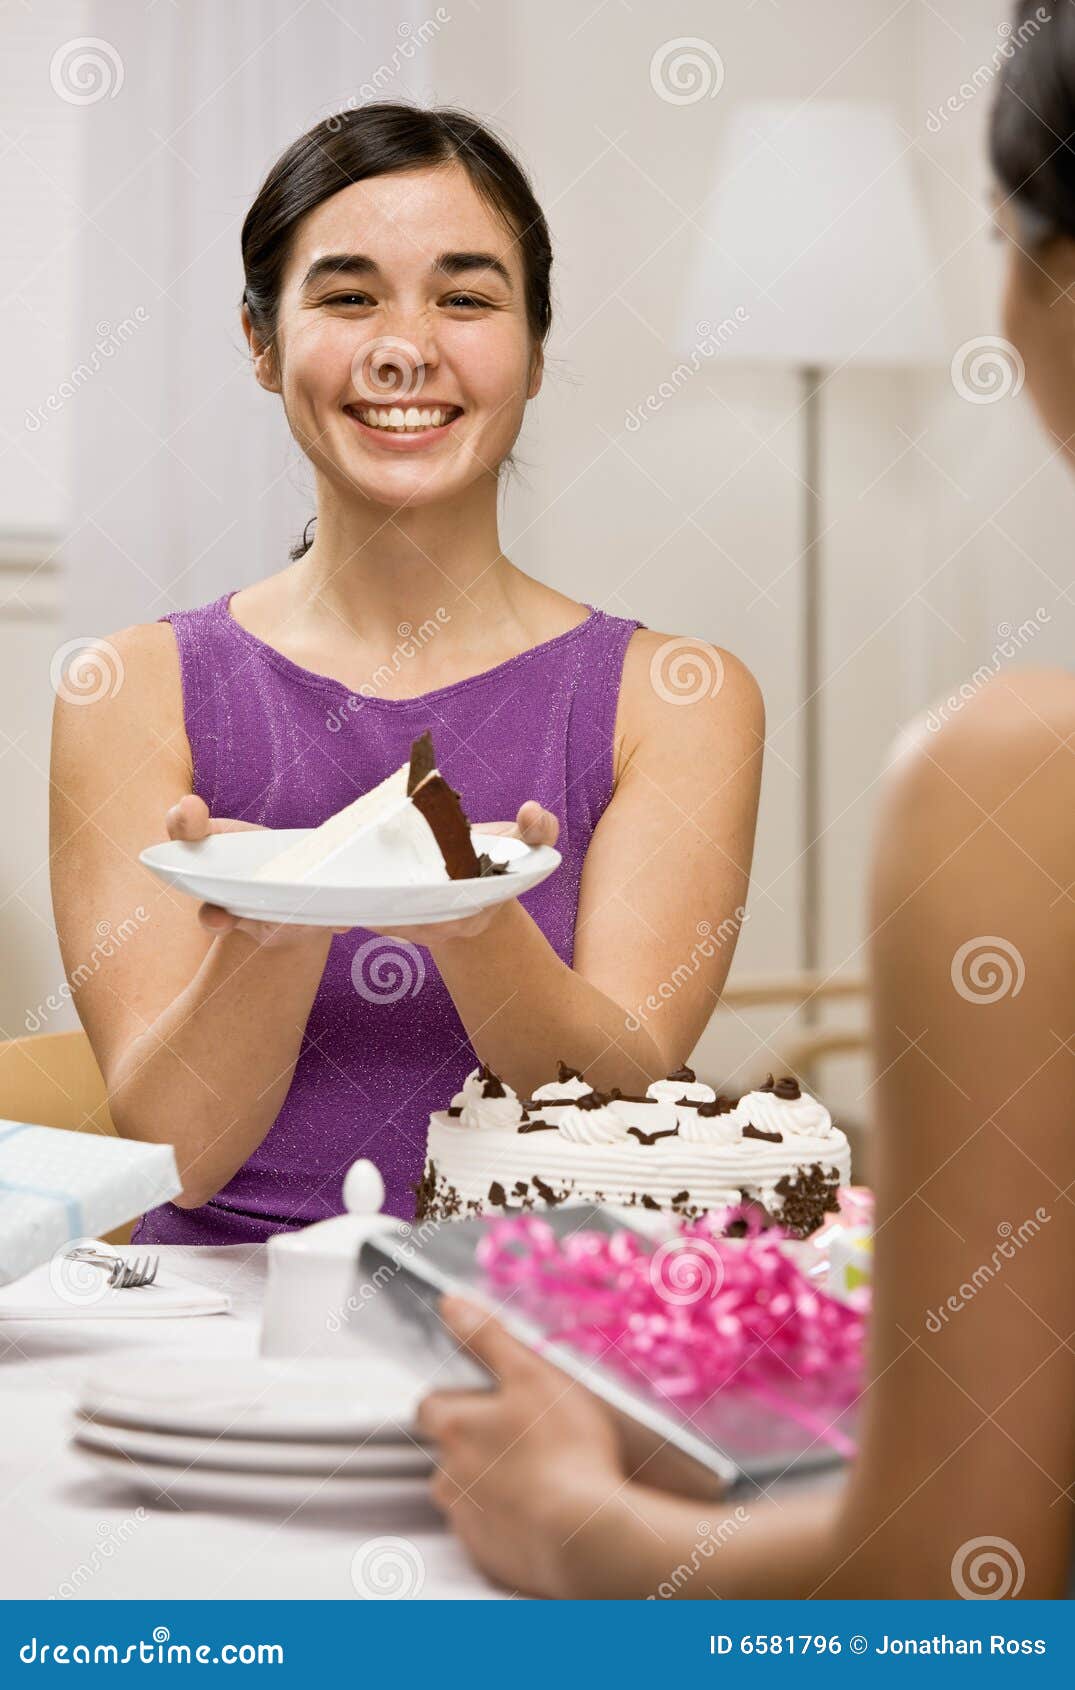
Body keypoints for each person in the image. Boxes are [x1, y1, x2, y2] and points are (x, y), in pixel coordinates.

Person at [417, 5, 1075, 1598]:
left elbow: (951, 1580)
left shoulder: (998, 785)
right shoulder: (173, 676)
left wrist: (578, 1527)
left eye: (467, 298)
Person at [48, 104, 762, 1244]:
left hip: (537, 1333)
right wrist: (276, 925)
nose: (404, 346)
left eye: (466, 298)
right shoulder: (127, 687)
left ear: (533, 349)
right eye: (346, 295)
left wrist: (471, 913)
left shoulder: (675, 697)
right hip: (216, 1337)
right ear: (261, 341)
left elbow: (616, 1113)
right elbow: (176, 1153)